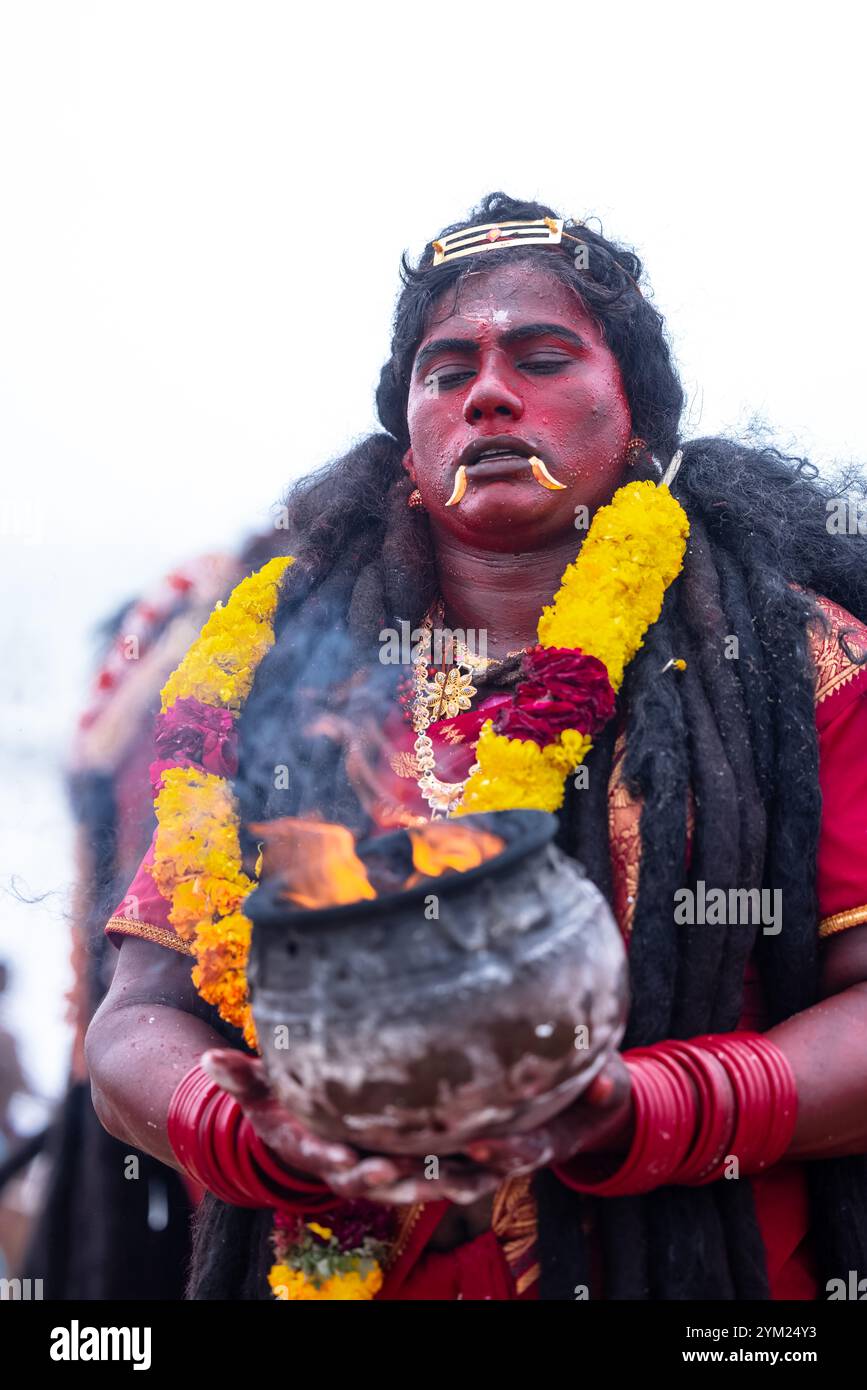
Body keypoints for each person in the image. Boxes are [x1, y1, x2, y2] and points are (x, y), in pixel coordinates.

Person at [86, 192, 867, 1301]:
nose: (489, 390)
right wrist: (256, 1137)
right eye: (447, 372)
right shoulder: (272, 683)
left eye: (543, 357)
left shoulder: (793, 665)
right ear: (409, 444)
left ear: (638, 417)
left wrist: (646, 1108)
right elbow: (134, 1027)